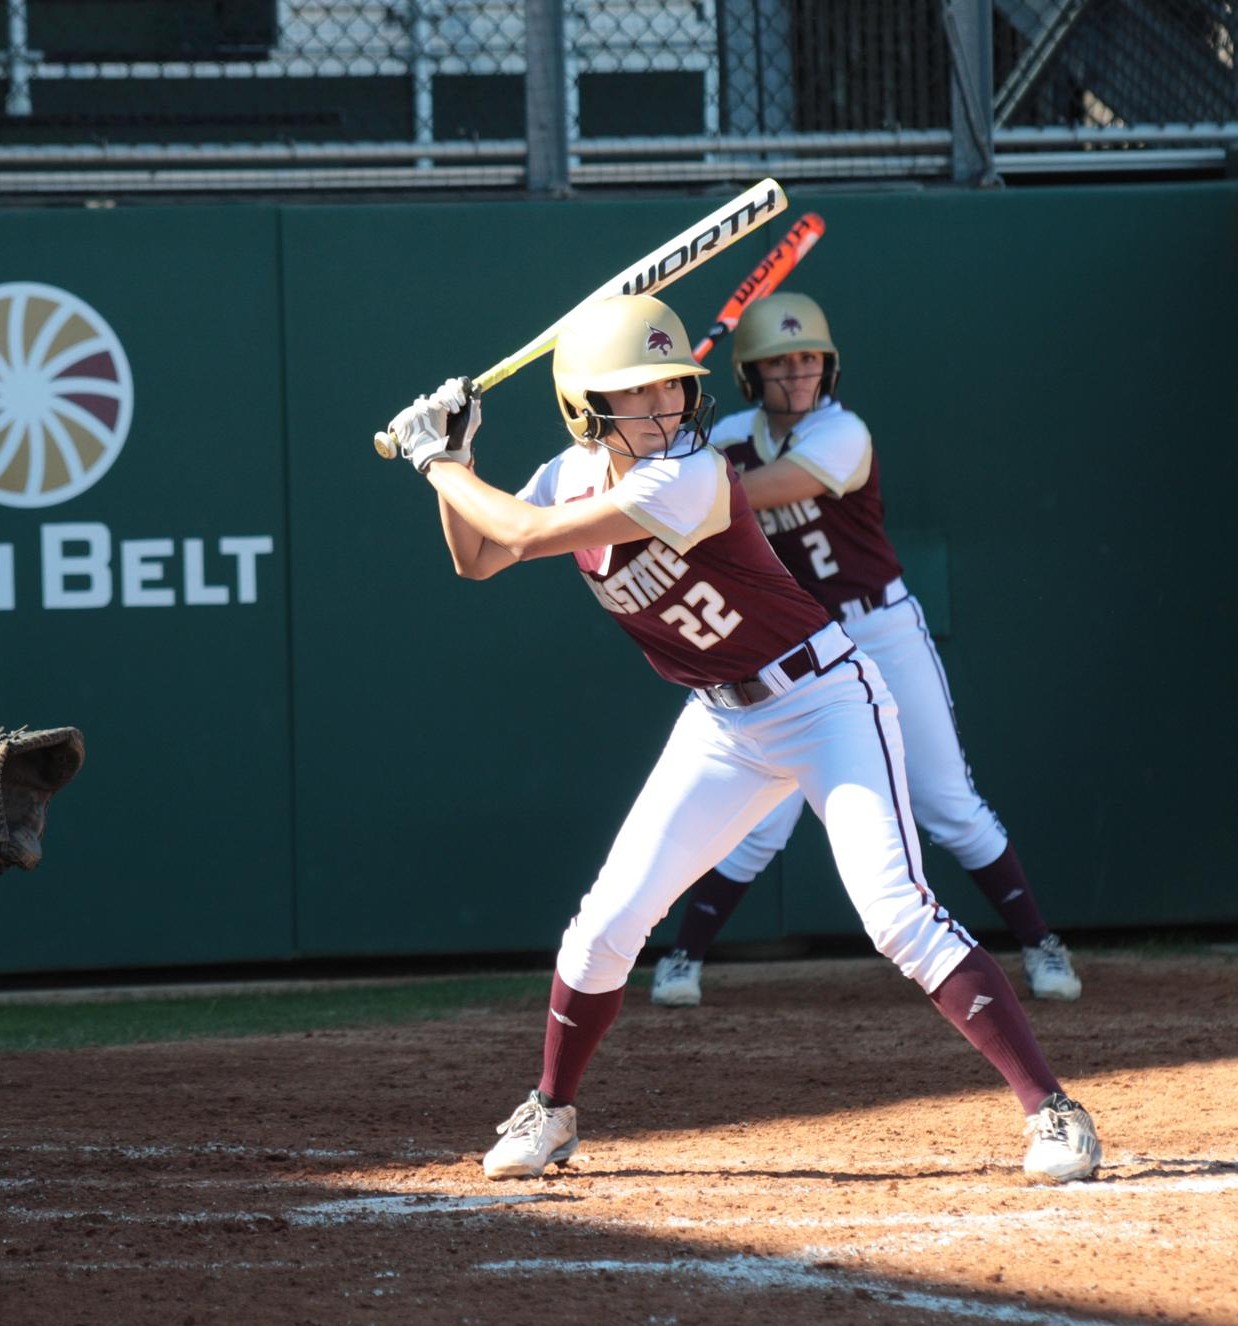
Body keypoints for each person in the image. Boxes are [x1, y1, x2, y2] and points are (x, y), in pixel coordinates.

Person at [383, 292, 1101, 1184]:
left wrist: (434, 463)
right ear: (586, 409)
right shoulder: (569, 473)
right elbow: (479, 556)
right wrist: (454, 461)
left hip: (827, 701)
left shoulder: (685, 474)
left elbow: (522, 531)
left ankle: (1053, 1111)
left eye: (673, 389)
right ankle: (552, 1108)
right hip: (723, 721)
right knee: (605, 925)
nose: (666, 408)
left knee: (895, 913)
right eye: (637, 394)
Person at [650, 292, 1080, 1012]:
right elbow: (664, 482)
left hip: (878, 627)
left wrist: (679, 482)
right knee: (761, 821)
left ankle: (1039, 942)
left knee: (947, 803)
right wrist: (663, 432)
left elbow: (754, 493)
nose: (797, 374)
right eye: (779, 362)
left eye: (809, 359)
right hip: (795, 646)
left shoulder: (842, 433)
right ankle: (682, 957)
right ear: (750, 374)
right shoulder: (725, 436)